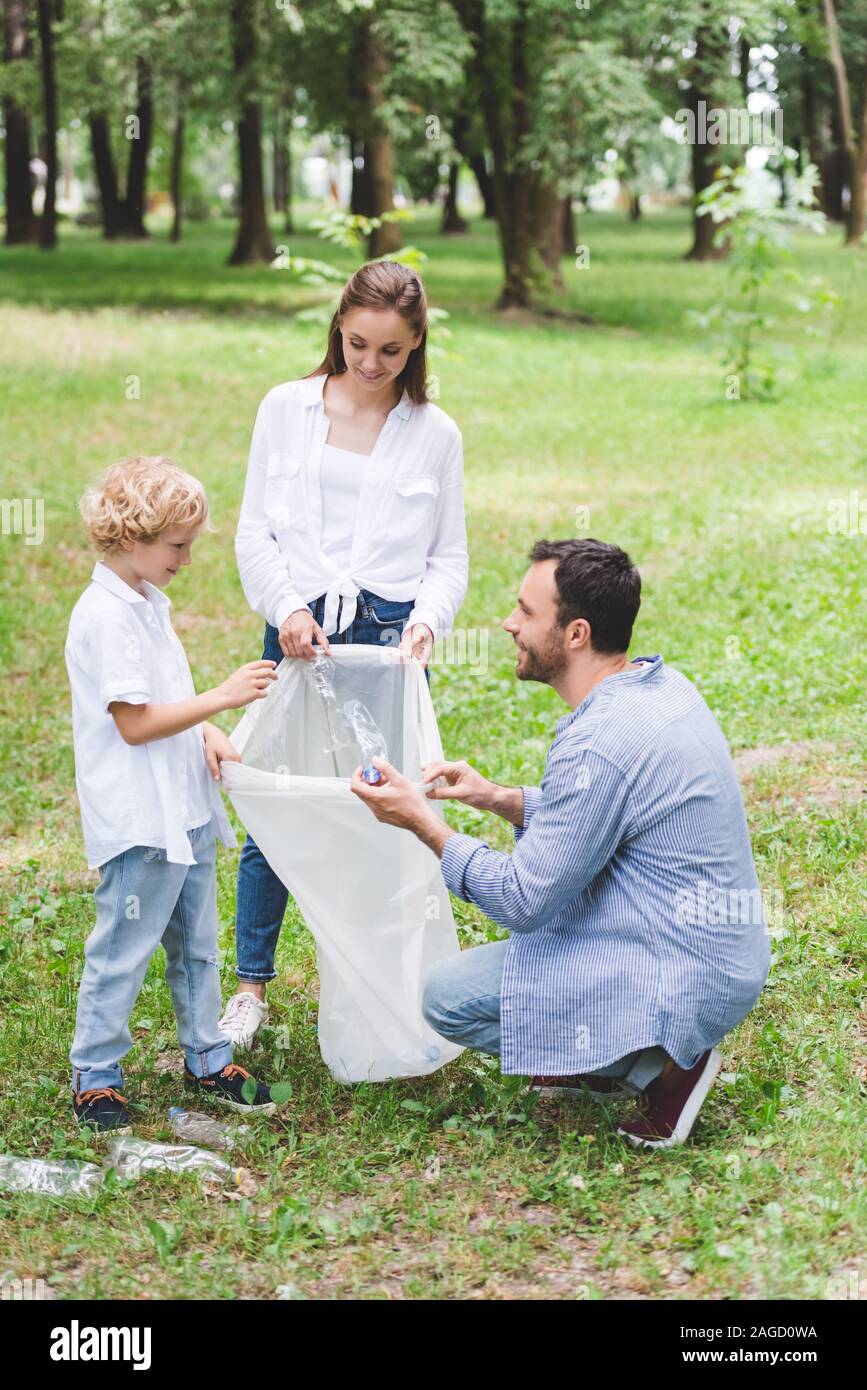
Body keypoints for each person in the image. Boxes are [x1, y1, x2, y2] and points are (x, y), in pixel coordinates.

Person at [350, 539, 771, 1149]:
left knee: (448, 999)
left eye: (526, 612)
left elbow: (522, 900)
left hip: (684, 973)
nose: (508, 623)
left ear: (576, 634)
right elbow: (600, 816)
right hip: (714, 951)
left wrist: (425, 825)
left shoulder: (599, 742)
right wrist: (498, 797)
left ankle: (664, 1069)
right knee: (536, 949)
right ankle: (590, 1049)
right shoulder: (658, 685)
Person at [222, 260, 468, 1046]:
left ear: (416, 343)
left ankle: (376, 986)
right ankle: (250, 985)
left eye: (389, 350)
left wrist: (426, 624)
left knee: (384, 808)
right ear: (338, 327)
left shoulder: (434, 434)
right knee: (276, 797)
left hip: (387, 641)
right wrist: (287, 608)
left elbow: (447, 557)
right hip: (298, 631)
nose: (369, 362)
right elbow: (254, 531)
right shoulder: (284, 408)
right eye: (357, 343)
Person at [65, 456, 283, 1132]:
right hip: (141, 820)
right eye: (178, 547)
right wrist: (221, 697)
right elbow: (134, 723)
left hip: (183, 811)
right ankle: (95, 1074)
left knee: (197, 946)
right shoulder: (106, 616)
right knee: (122, 950)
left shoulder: (147, 604)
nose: (186, 561)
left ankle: (208, 1057)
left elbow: (164, 700)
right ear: (132, 537)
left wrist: (206, 730)